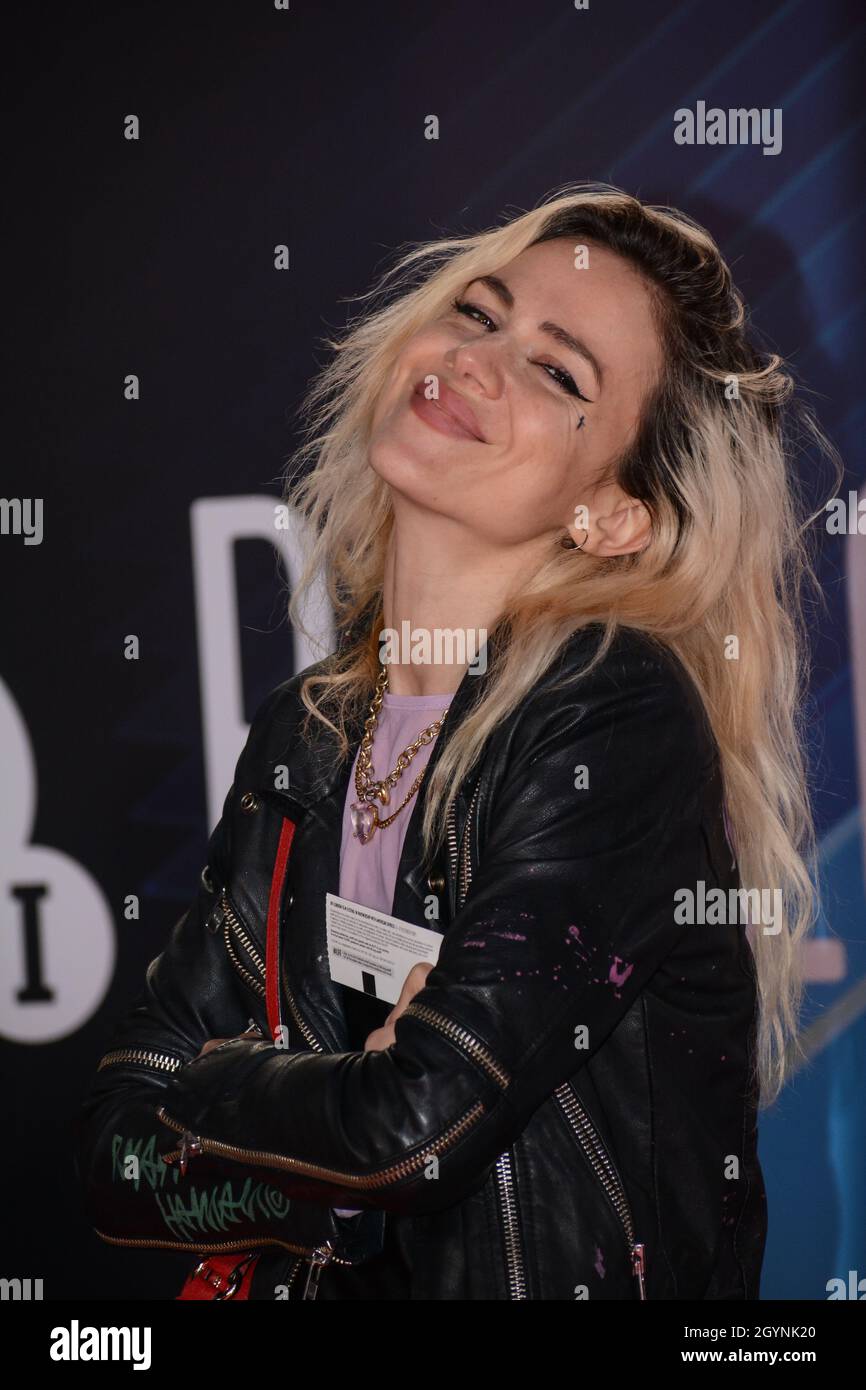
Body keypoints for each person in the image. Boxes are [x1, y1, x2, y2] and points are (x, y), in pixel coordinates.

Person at [75, 181, 841, 1300]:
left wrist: (218, 1097)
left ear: (613, 515)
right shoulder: (307, 731)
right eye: (477, 313)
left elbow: (415, 1129)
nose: (475, 360)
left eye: (557, 372)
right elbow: (113, 1158)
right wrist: (327, 1129)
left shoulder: (612, 715)